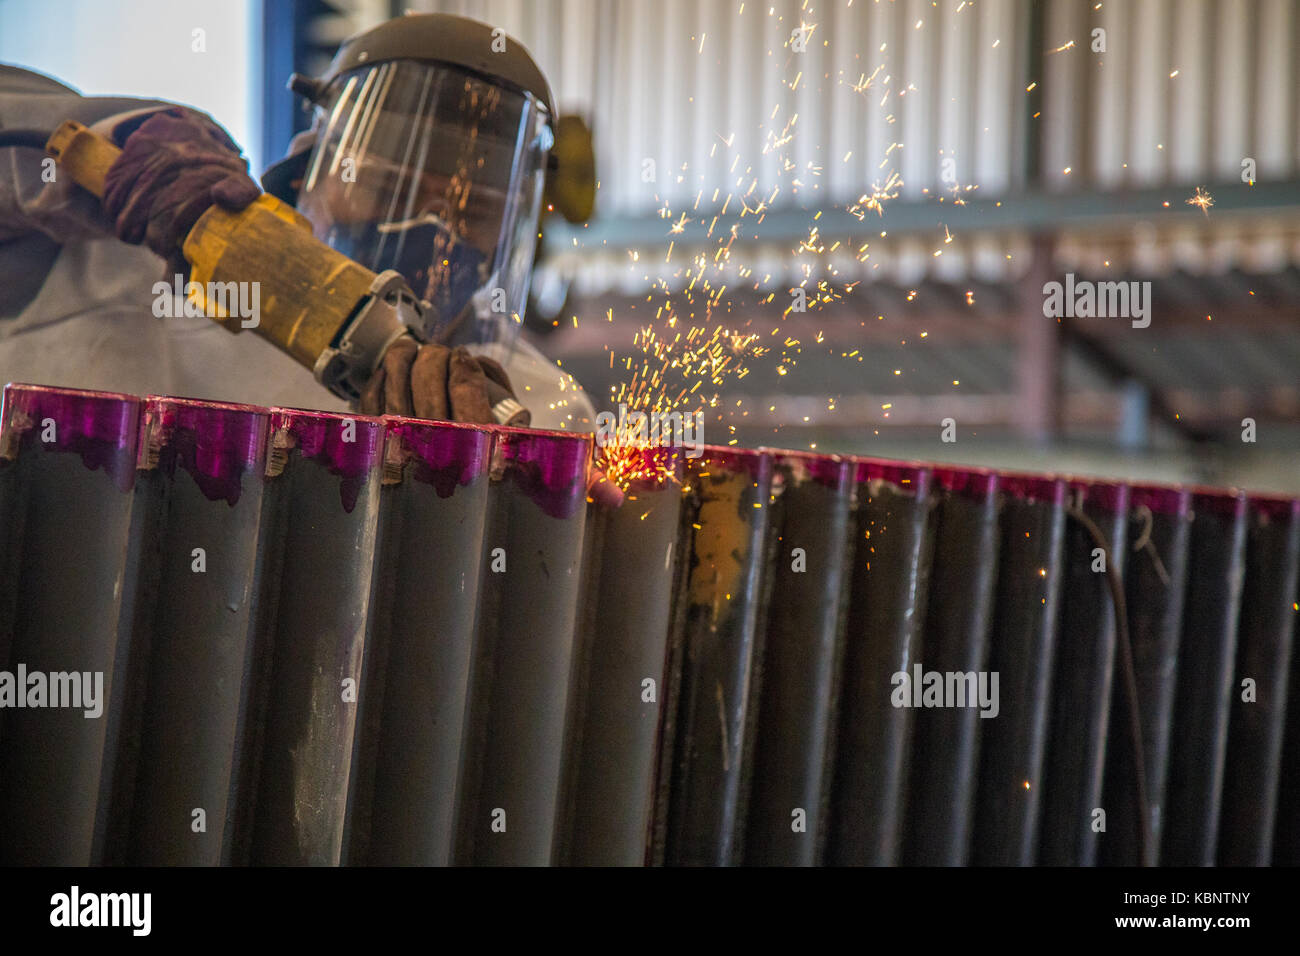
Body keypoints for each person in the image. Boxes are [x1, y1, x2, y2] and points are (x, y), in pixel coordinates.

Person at [0, 13, 595, 432]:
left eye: (474, 212)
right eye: (387, 189)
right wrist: (122, 134)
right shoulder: (130, 280)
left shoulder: (533, 413)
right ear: (308, 172)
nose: (433, 230)